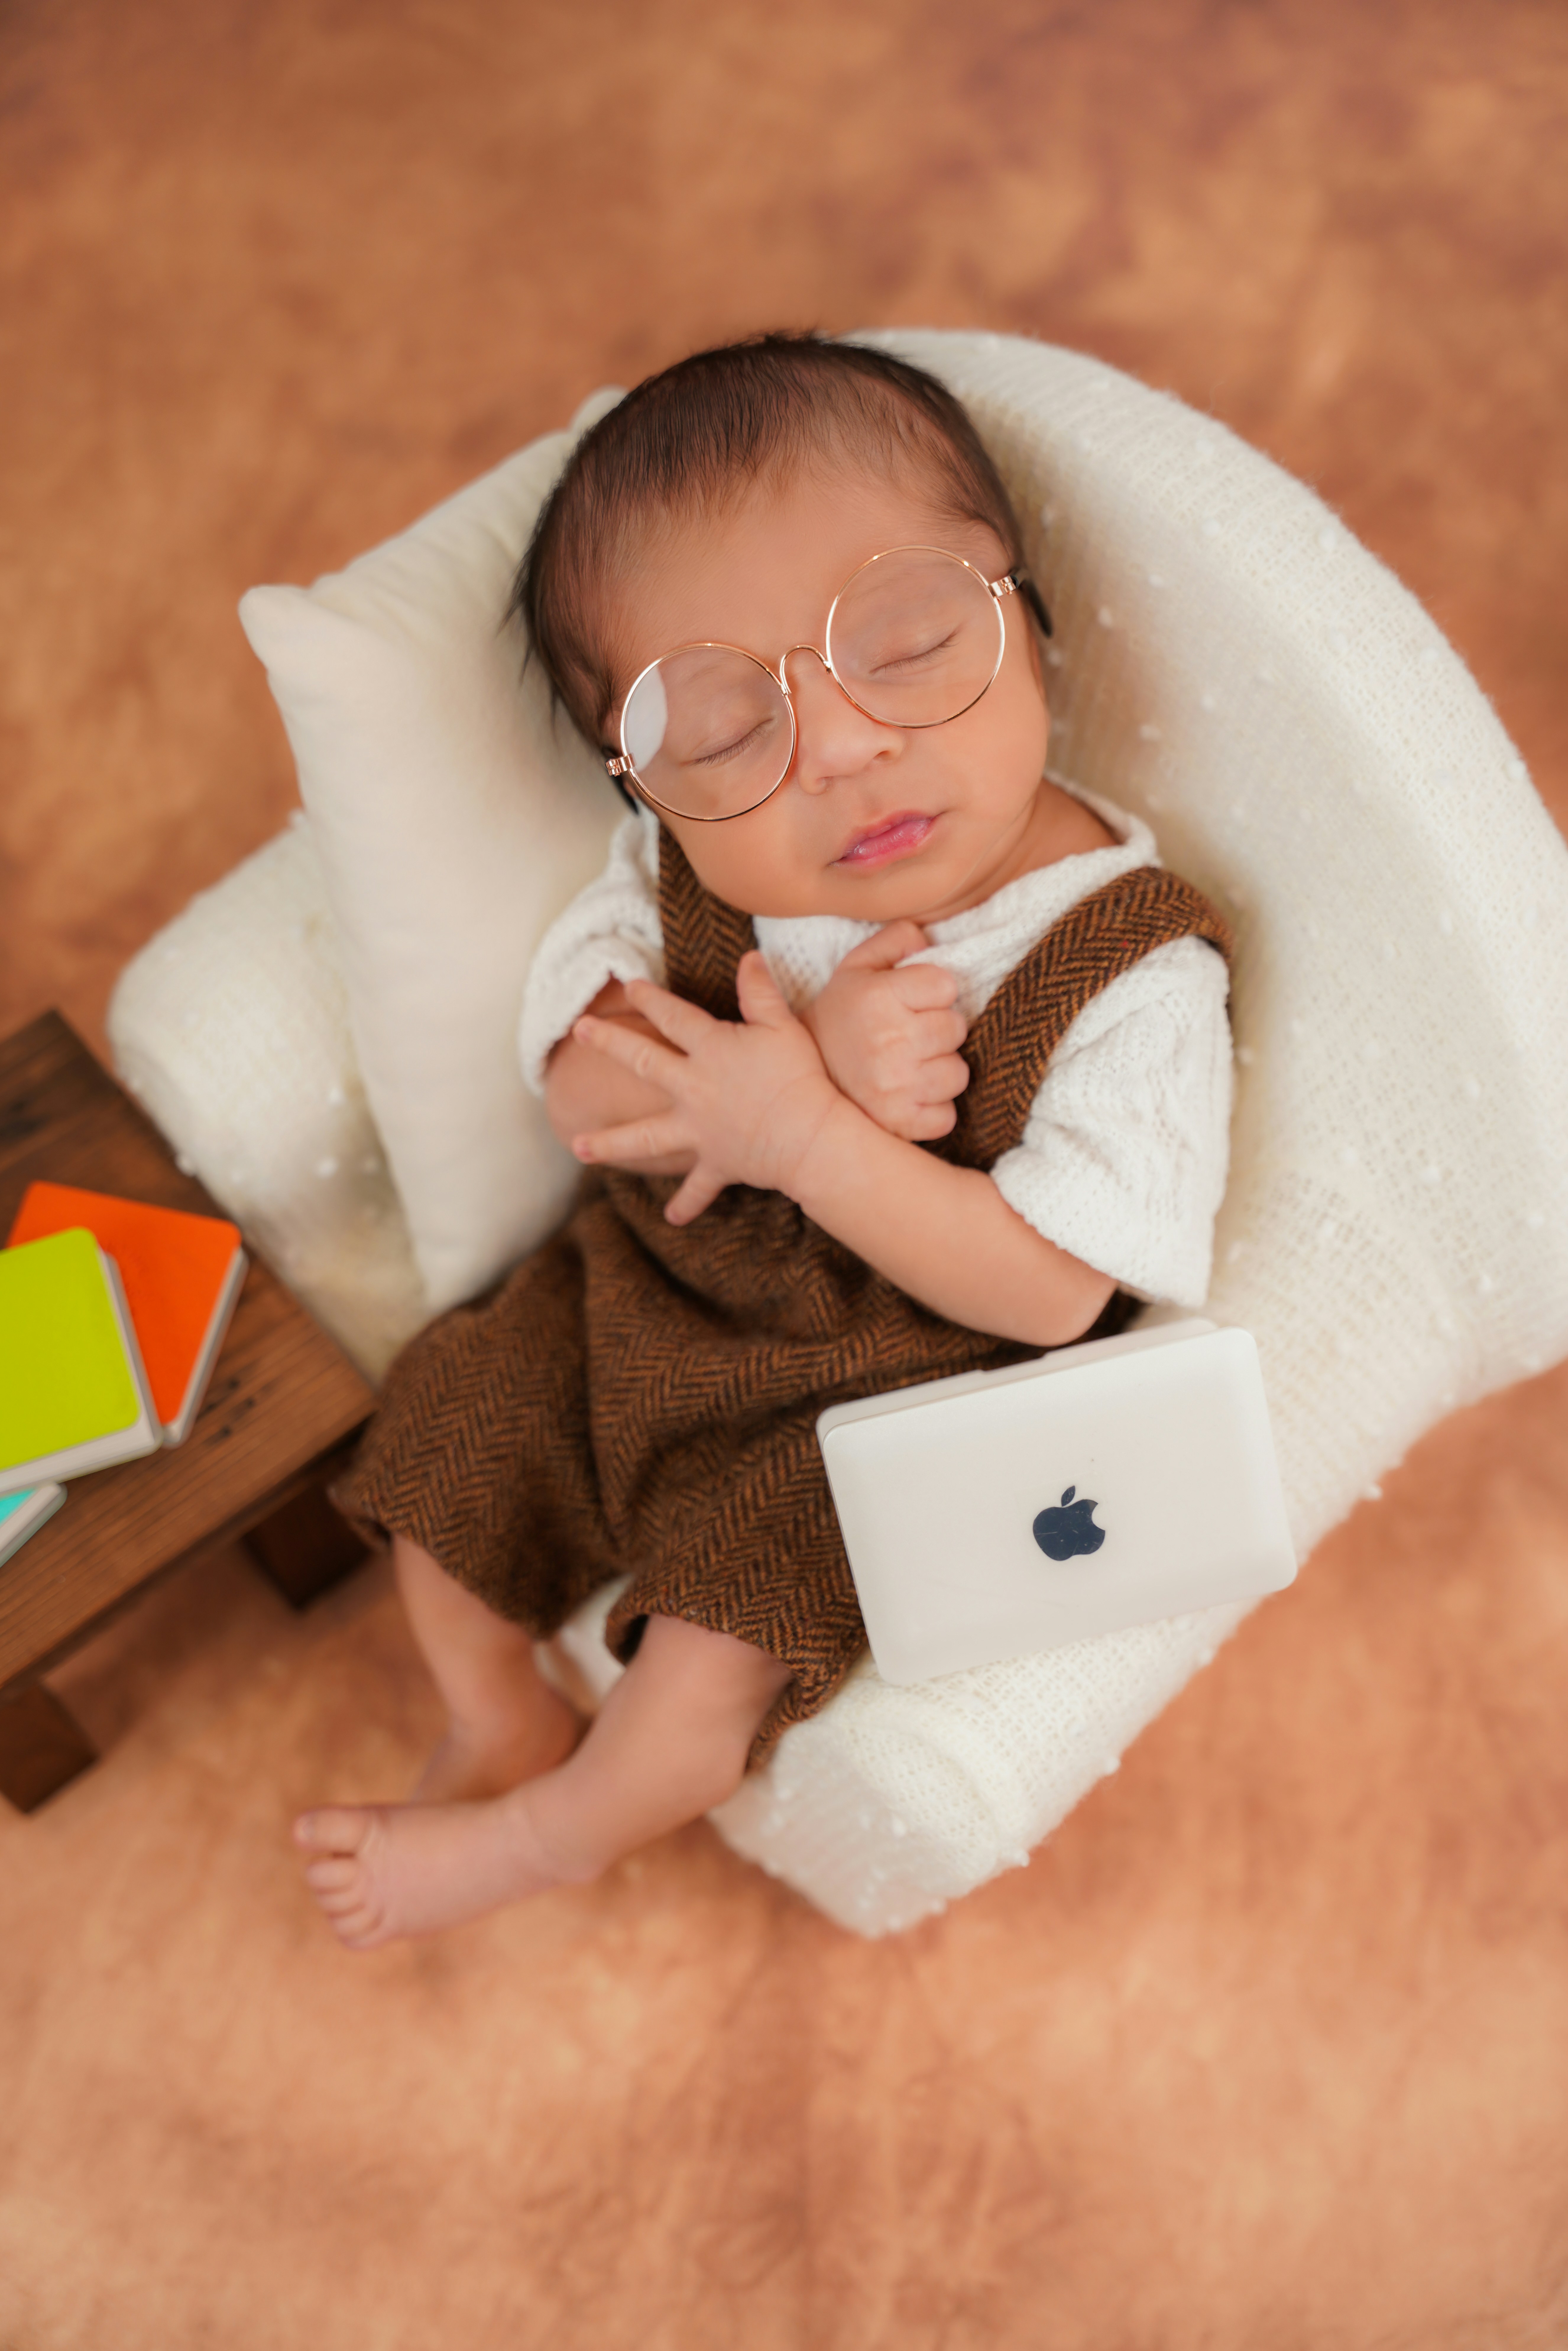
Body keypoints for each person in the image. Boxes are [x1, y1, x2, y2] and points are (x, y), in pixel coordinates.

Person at [294, 333, 1234, 1948]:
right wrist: (754, 1062)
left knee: (708, 1660)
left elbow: (1052, 1300)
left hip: (863, 1413)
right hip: (635, 1307)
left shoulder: (1126, 965)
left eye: (906, 642)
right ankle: (497, 1703)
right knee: (450, 1418)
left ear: (1021, 610)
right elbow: (580, 1094)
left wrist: (805, 1136)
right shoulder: (690, 884)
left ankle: (544, 1834)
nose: (843, 746)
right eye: (724, 730)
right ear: (644, 781)